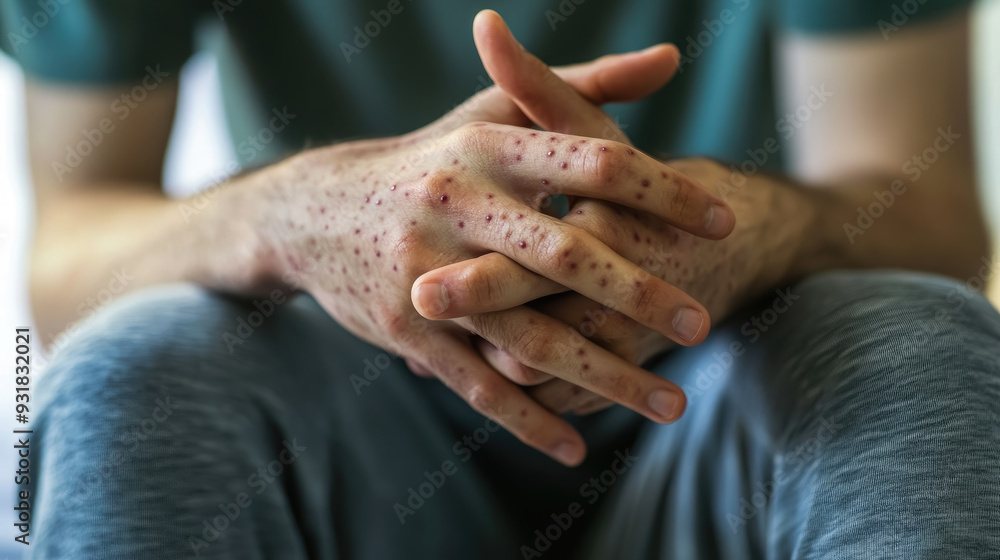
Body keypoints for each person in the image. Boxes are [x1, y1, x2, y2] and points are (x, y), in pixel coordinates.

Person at [3, 1, 998, 558]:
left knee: (913, 343)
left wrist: (740, 227)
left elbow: (929, 210)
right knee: (134, 376)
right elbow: (70, 251)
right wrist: (288, 214)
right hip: (344, 409)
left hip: (730, 384)